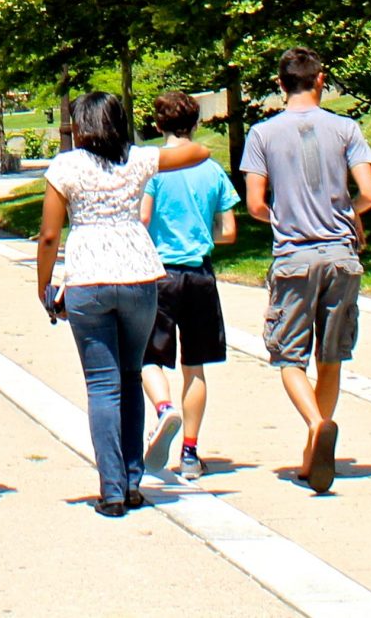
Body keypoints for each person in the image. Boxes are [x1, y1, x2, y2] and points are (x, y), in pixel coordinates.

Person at [36, 92, 215, 514]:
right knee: (132, 377)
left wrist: (45, 285)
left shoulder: (66, 166)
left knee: (102, 385)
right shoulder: (137, 160)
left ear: (81, 127)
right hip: (139, 274)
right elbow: (201, 151)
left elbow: (48, 235)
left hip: (88, 279)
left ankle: (112, 489)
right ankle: (134, 481)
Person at [240, 47, 371, 495]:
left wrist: (282, 217)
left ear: (281, 84)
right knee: (332, 355)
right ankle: (313, 452)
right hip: (342, 255)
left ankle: (317, 425)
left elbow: (256, 204)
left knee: (288, 355)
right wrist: (347, 213)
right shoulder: (346, 128)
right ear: (320, 80)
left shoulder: (262, 134)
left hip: (294, 256)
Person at [139, 89, 239, 481]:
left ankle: (164, 409)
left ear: (158, 124)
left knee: (148, 357)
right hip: (200, 275)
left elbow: (144, 219)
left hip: (159, 274)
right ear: (195, 123)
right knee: (194, 366)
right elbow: (229, 231)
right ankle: (192, 453)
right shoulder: (211, 168)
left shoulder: (154, 168)